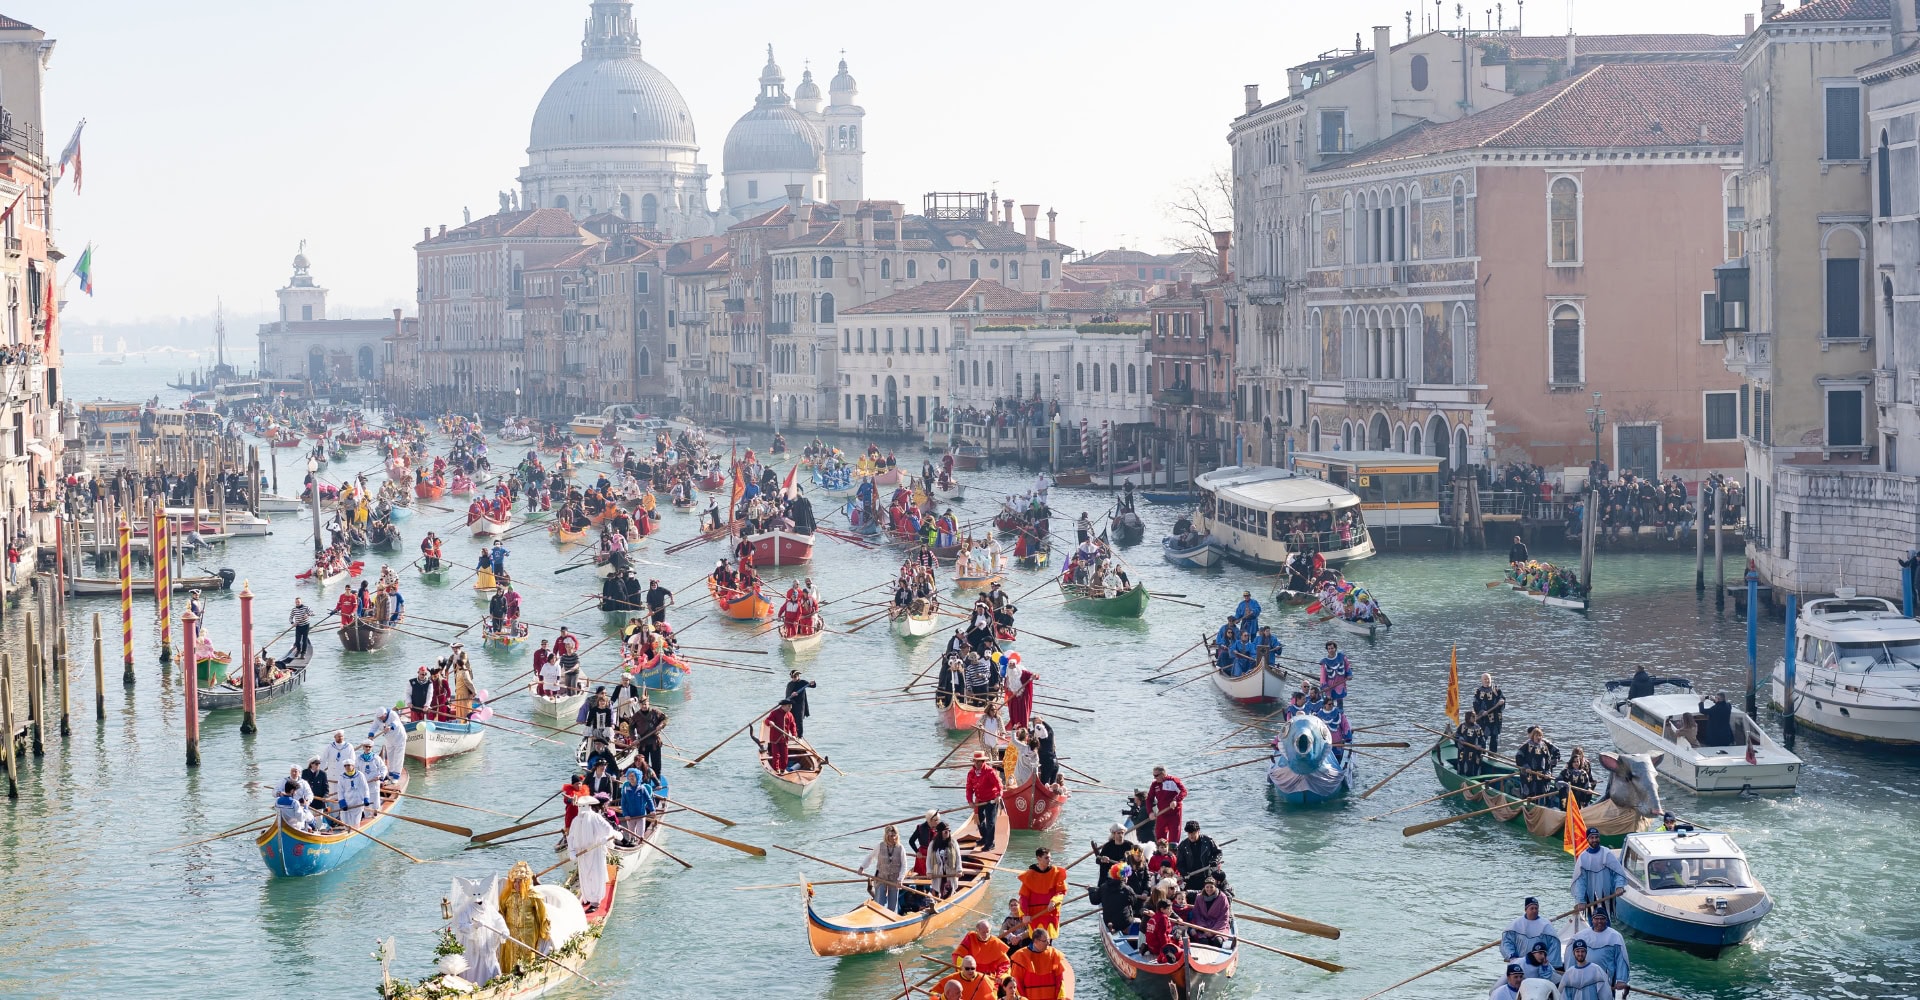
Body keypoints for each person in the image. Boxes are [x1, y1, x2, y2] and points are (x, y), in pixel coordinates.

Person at [566, 795, 616, 914]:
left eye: (583, 806)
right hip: (581, 854)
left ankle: (596, 901)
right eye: (579, 806)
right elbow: (571, 837)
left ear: (588, 806)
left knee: (595, 875)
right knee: (584, 876)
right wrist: (571, 851)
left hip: (595, 852)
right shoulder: (576, 820)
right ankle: (588, 897)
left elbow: (608, 830)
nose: (581, 809)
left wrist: (605, 838)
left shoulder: (595, 817)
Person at [1564, 908, 1629, 995]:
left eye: (1602, 918)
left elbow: (1621, 959)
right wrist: (1570, 975)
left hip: (1605, 982)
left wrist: (1621, 980)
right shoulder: (1580, 936)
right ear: (1592, 920)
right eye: (1596, 918)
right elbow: (1571, 956)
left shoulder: (1615, 937)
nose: (1599, 921)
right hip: (1584, 981)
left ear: (1606, 920)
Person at [1571, 831, 1629, 915]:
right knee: (1593, 921)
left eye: (1596, 837)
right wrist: (1580, 900)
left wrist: (1619, 886)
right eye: (1592, 838)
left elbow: (1617, 872)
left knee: (1606, 919)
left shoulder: (1607, 853)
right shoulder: (1583, 858)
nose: (1595, 840)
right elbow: (1580, 882)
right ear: (1587, 839)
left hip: (1607, 895)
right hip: (1590, 898)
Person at [1015, 847, 1068, 938]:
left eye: (1050, 858)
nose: (1049, 860)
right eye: (1046, 858)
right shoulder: (1029, 875)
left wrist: (1053, 901)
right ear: (1039, 859)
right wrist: (1025, 915)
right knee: (1037, 940)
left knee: (1048, 939)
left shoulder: (1056, 873)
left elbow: (1060, 892)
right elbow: (1023, 897)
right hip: (1035, 915)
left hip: (1050, 913)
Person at [1008, 926, 1071, 1000]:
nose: (1048, 943)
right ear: (1035, 941)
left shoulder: (1054, 954)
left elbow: (1060, 981)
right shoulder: (1021, 956)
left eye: (1049, 940)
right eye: (1045, 941)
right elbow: (1017, 984)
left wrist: (1060, 998)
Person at [1500, 897, 1560, 963]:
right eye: (1532, 908)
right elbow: (1507, 942)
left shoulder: (1546, 926)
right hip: (1519, 962)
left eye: (1536, 908)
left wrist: (1549, 963)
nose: (1534, 910)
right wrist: (1512, 956)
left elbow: (1554, 946)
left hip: (1540, 964)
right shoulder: (1515, 925)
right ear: (1526, 910)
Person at [965, 750, 1003, 849]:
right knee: (979, 820)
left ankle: (990, 843)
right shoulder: (971, 773)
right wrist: (970, 801)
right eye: (975, 761)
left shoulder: (990, 771)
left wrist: (999, 795)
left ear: (983, 762)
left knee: (990, 822)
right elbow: (969, 788)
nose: (977, 763)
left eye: (979, 761)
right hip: (980, 800)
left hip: (991, 799)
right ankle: (985, 837)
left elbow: (999, 785)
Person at [1174, 819, 1225, 891]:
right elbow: (1179, 863)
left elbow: (1218, 852)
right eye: (1189, 834)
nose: (1191, 836)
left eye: (1193, 833)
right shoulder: (1183, 845)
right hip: (1191, 877)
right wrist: (1183, 872)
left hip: (1206, 876)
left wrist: (1214, 860)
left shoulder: (1208, 841)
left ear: (1198, 831)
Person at [1146, 765, 1187, 844]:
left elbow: (1184, 792)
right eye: (1153, 775)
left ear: (1163, 774)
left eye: (1156, 775)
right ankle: (1161, 854)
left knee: (1173, 840)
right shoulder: (1154, 785)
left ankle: (1173, 853)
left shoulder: (1173, 781)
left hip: (1174, 814)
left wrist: (1176, 800)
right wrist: (1150, 812)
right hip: (1162, 813)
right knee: (1160, 838)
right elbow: (1149, 799)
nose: (1154, 778)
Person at [1186, 877, 1231, 946]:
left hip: (1218, 927)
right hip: (1203, 927)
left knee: (1217, 942)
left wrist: (1213, 931)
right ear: (1204, 887)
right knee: (1203, 941)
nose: (1209, 889)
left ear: (1215, 887)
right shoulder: (1199, 897)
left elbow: (1224, 918)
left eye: (1211, 887)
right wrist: (1204, 929)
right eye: (1207, 887)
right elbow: (1197, 915)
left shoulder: (1222, 898)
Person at [1606, 666, 1691, 702]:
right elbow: (1651, 691)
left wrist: (1628, 701)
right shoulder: (1650, 680)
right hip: (1648, 701)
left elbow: (1632, 695)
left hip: (1637, 703)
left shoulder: (1635, 682)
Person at [926, 821, 964, 898]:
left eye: (948, 831)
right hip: (938, 873)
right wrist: (929, 872)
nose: (947, 833)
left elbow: (958, 857)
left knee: (949, 892)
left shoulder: (953, 843)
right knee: (937, 890)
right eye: (945, 831)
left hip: (950, 873)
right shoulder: (933, 844)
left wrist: (959, 870)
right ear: (940, 832)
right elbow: (928, 859)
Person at [1473, 674, 1508, 753]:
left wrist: (1502, 701)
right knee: (1482, 737)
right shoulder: (1478, 692)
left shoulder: (1496, 690)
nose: (1487, 681)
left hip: (1495, 718)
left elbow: (1502, 698)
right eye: (1485, 679)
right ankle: (1482, 754)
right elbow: (1475, 704)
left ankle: (1492, 755)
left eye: (1488, 679)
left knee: (1494, 738)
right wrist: (1481, 712)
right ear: (1482, 681)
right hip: (1483, 719)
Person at [932, 957, 997, 1000]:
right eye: (967, 968)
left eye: (973, 968)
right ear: (962, 968)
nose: (970, 971)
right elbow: (933, 992)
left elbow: (994, 992)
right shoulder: (952, 979)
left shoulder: (984, 978)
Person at [762, 699, 798, 772]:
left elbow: (793, 726)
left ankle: (782, 769)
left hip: (784, 739)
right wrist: (770, 722)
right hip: (775, 739)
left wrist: (794, 735)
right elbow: (767, 720)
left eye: (791, 706)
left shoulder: (790, 715)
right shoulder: (774, 713)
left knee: (785, 756)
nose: (791, 708)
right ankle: (776, 770)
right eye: (789, 706)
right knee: (776, 755)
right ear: (783, 706)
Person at [336, 759, 374, 828]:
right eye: (345, 766)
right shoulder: (341, 777)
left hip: (357, 804)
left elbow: (366, 788)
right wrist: (342, 803)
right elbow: (340, 791)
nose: (347, 767)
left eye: (349, 765)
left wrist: (366, 798)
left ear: (353, 766)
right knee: (345, 823)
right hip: (346, 804)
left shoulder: (360, 775)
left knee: (355, 824)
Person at [784, 669, 817, 739]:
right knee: (791, 720)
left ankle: (800, 736)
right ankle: (792, 734)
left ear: (798, 676)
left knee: (799, 720)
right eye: (792, 677)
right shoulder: (790, 684)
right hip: (791, 705)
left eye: (795, 677)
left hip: (800, 705)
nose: (793, 678)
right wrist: (792, 694)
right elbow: (787, 696)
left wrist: (813, 683)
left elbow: (813, 686)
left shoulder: (803, 682)